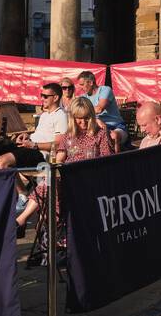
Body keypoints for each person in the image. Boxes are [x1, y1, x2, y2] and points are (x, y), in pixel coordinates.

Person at [18, 96, 113, 241]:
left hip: (91, 180)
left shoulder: (99, 134)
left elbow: (108, 160)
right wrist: (55, 165)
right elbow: (60, 158)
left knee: (49, 192)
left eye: (86, 117)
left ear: (92, 116)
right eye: (79, 118)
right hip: (69, 178)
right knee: (49, 185)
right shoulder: (67, 136)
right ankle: (46, 236)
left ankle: (28, 224)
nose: (83, 122)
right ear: (73, 118)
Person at [0, 82, 68, 169]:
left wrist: (34, 145)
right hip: (30, 148)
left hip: (40, 154)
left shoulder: (61, 116)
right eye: (41, 95)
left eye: (45, 96)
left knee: (1, 162)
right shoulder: (45, 115)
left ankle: (16, 182)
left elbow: (58, 144)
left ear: (55, 98)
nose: (42, 98)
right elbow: (41, 135)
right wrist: (27, 137)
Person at [77, 70, 127, 151]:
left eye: (82, 84)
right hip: (97, 126)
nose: (81, 87)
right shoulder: (84, 97)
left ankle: (116, 160)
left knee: (113, 136)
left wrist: (87, 114)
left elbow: (99, 109)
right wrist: (96, 120)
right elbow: (79, 112)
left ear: (91, 83)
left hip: (115, 126)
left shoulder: (105, 90)